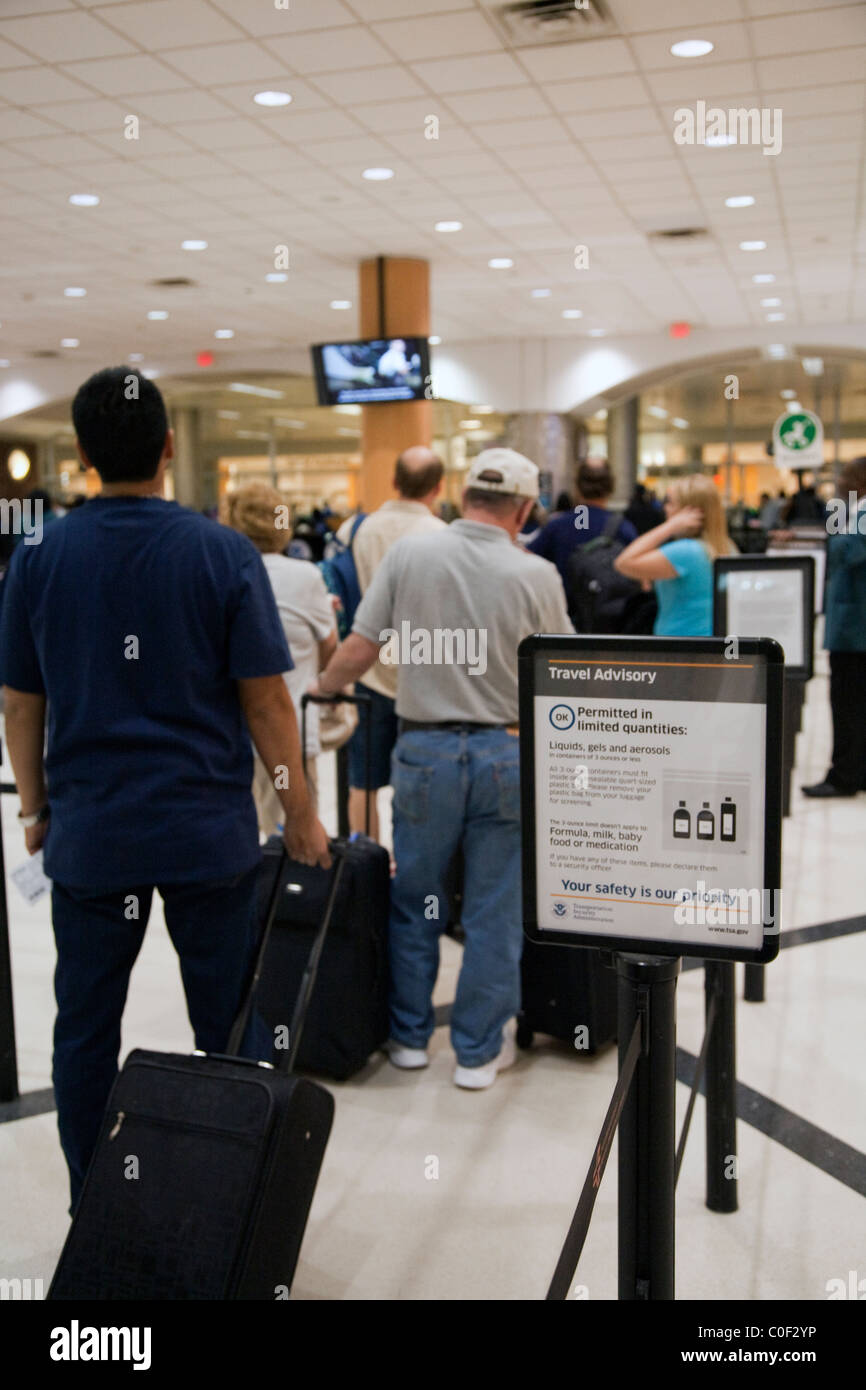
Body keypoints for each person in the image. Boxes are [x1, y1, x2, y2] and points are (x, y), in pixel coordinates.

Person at [0, 366, 330, 1210]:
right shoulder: (220, 552)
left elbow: (19, 704)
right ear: (170, 448)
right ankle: (228, 1198)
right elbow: (267, 703)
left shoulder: (40, 556)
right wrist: (300, 813)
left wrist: (35, 809)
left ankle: (92, 1197)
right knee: (224, 1023)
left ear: (81, 453)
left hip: (93, 835)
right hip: (206, 836)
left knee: (84, 1028)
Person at [313, 448, 573, 1090]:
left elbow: (361, 645)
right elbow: (566, 669)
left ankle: (407, 1039)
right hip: (504, 755)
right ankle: (479, 1054)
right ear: (523, 508)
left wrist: (320, 691)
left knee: (415, 901)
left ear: (462, 496)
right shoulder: (535, 573)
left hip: (424, 752)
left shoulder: (409, 555)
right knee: (492, 908)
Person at [223, 482, 337, 833]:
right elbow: (330, 648)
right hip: (293, 735)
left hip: (231, 737)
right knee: (296, 850)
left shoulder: (222, 572)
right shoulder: (306, 577)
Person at [346, 446, 446, 840]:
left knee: (364, 782)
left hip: (370, 670)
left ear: (393, 482)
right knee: (419, 782)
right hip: (424, 677)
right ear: (438, 488)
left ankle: (367, 867)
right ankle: (413, 865)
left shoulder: (363, 529)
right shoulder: (442, 535)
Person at [803, 457, 866, 797]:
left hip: (854, 631)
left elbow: (845, 551)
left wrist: (839, 513)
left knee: (847, 704)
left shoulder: (860, 515)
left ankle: (843, 776)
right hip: (855, 628)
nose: (839, 483)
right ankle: (857, 770)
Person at [613, 474, 732, 636]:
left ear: (689, 511)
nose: (665, 508)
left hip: (681, 646)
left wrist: (670, 526)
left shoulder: (686, 552)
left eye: (670, 502)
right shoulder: (723, 546)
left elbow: (623, 562)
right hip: (705, 643)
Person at [528, 458, 637, 586]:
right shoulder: (623, 528)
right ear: (611, 486)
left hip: (563, 604)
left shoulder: (556, 527)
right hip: (609, 605)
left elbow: (528, 561)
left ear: (577, 486)